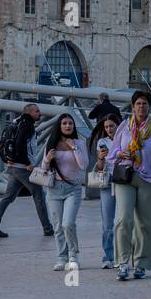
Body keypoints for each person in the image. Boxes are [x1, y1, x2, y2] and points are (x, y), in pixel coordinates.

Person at [106, 90, 151, 281]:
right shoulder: (125, 127)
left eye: (144, 103)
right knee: (123, 220)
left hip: (148, 180)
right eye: (138, 104)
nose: (141, 107)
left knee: (144, 223)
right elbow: (113, 151)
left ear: (149, 107)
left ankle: (141, 263)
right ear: (133, 107)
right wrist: (121, 154)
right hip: (126, 176)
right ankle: (123, 263)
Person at [0, 103, 54, 238]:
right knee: (39, 196)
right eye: (37, 111)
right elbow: (19, 144)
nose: (39, 113)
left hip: (13, 168)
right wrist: (27, 162)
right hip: (24, 169)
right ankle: (47, 228)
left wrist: (7, 160)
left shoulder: (15, 123)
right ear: (29, 112)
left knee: (8, 197)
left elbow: (4, 144)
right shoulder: (27, 125)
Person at [41, 113, 90, 271]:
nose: (68, 126)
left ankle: (73, 256)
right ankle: (62, 258)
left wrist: (74, 148)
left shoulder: (79, 143)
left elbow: (84, 166)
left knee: (68, 223)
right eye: (64, 123)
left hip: (72, 189)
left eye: (70, 123)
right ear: (59, 126)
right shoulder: (52, 144)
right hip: (54, 189)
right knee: (57, 226)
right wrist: (47, 159)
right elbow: (43, 170)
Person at [88, 114, 121, 269]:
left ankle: (123, 255)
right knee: (107, 223)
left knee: (123, 221)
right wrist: (100, 158)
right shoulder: (102, 142)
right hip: (107, 182)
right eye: (106, 127)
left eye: (111, 126)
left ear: (118, 126)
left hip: (123, 182)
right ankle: (108, 256)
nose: (109, 129)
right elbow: (100, 167)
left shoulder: (125, 139)